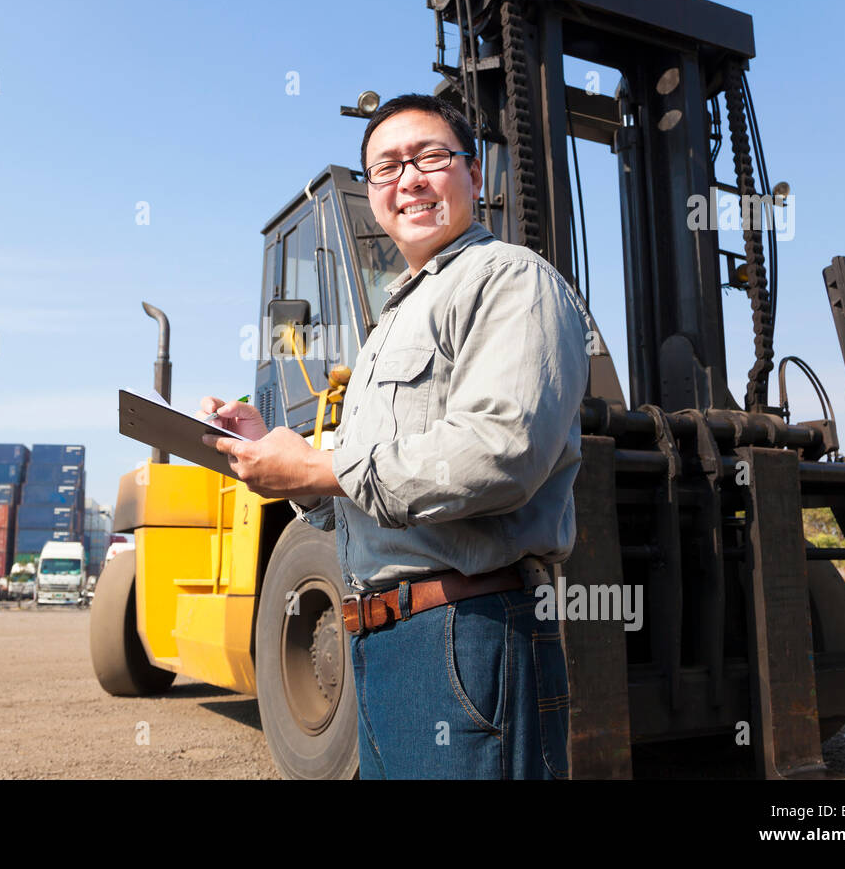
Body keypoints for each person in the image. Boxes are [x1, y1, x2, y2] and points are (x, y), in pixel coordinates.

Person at [200, 93, 592, 779]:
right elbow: (363, 491)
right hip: (381, 648)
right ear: (374, 194)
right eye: (385, 168)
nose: (407, 179)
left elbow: (502, 452)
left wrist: (323, 470)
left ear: (475, 177)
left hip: (466, 636)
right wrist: (277, 453)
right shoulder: (388, 326)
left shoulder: (512, 279)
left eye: (431, 157)